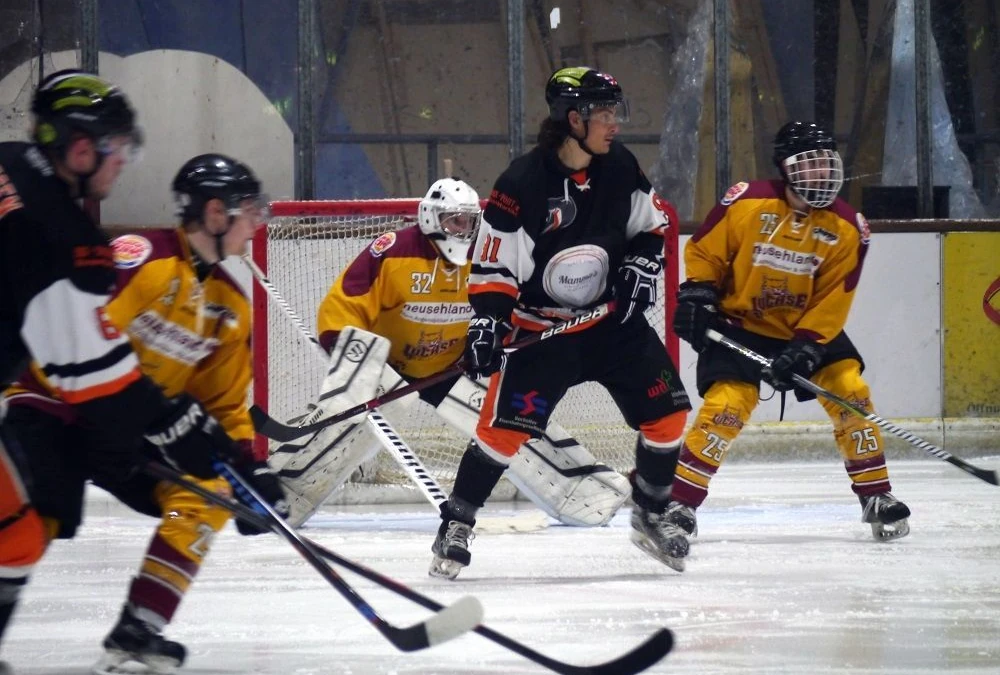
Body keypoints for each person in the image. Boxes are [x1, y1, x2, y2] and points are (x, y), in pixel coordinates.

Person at [4, 153, 287, 672]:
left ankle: (140, 629)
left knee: (208, 493)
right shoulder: (141, 259)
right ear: (216, 213)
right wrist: (136, 415)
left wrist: (250, 467)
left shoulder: (230, 304)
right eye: (249, 210)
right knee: (30, 524)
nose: (257, 224)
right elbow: (77, 342)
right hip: (56, 408)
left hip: (135, 432)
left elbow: (223, 405)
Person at [428, 66, 692, 580]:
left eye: (616, 111)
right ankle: (456, 523)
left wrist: (641, 263)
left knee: (669, 417)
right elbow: (494, 265)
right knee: (503, 432)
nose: (615, 123)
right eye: (605, 113)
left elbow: (651, 227)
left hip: (612, 324)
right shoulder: (521, 183)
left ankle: (651, 513)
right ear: (574, 119)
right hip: (541, 330)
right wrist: (487, 323)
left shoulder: (620, 166)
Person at [278, 177, 630, 530]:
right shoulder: (393, 250)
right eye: (454, 220)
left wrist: (499, 339)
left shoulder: (486, 257)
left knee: (509, 420)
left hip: (450, 366)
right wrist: (353, 358)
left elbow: (513, 303)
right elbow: (343, 306)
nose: (463, 230)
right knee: (344, 422)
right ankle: (280, 493)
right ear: (431, 218)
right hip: (388, 367)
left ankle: (585, 493)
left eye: (469, 221)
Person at [668, 121, 911, 565]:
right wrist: (699, 292)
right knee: (726, 406)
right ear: (786, 168)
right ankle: (680, 502)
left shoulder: (848, 227)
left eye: (827, 163)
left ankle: (876, 495)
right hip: (739, 324)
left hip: (806, 332)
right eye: (810, 164)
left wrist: (807, 346)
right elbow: (705, 250)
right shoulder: (747, 200)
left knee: (850, 391)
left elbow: (835, 297)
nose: (821, 173)